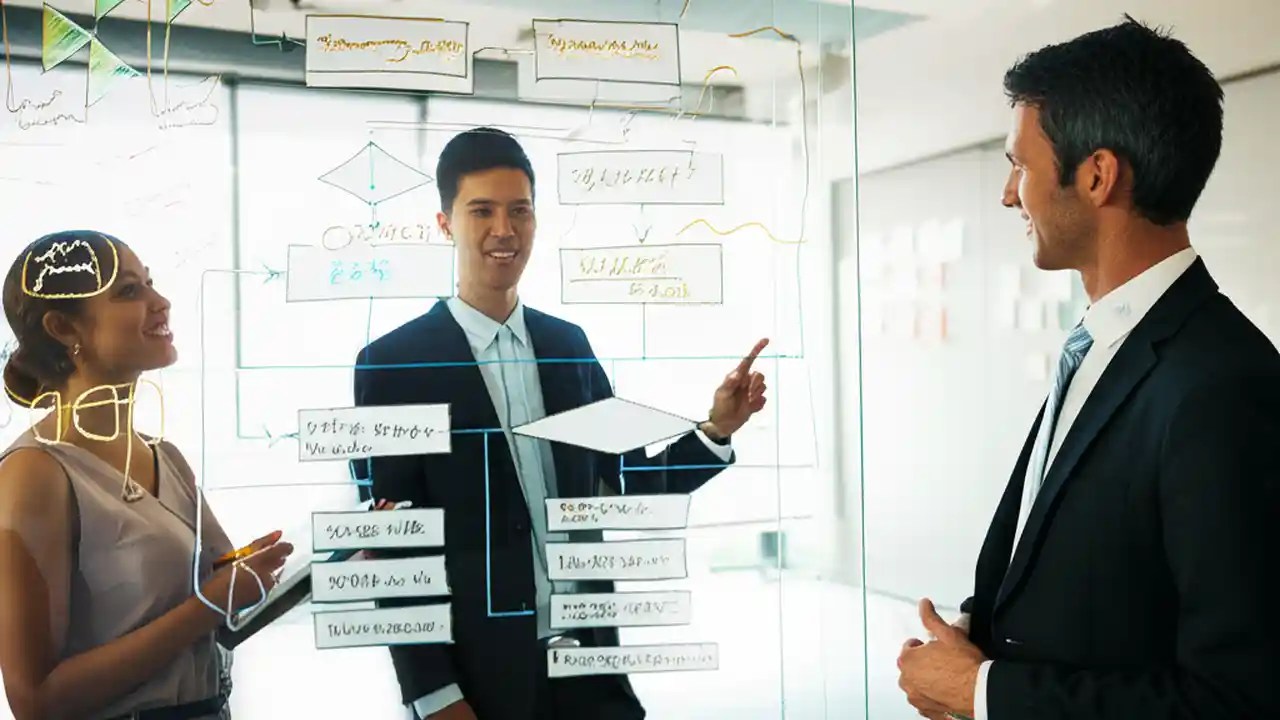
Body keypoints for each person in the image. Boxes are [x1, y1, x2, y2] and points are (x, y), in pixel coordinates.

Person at [895, 15, 1280, 720]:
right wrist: (978, 646)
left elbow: (1237, 699)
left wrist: (984, 693)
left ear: (1098, 175)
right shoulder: (1101, 347)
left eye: (1020, 165)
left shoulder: (1222, 384)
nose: (1009, 194)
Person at [353, 128, 768, 720]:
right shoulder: (394, 365)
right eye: (482, 211)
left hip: (591, 670)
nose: (504, 229)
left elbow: (621, 484)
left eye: (520, 210)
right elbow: (391, 549)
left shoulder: (568, 347)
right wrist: (433, 693)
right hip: (477, 679)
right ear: (445, 224)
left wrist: (717, 430)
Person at [0, 231, 294, 720]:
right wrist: (210, 604)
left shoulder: (167, 457)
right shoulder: (35, 473)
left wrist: (335, 562)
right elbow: (35, 700)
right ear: (62, 328)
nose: (161, 303)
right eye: (130, 292)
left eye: (151, 284)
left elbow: (224, 618)